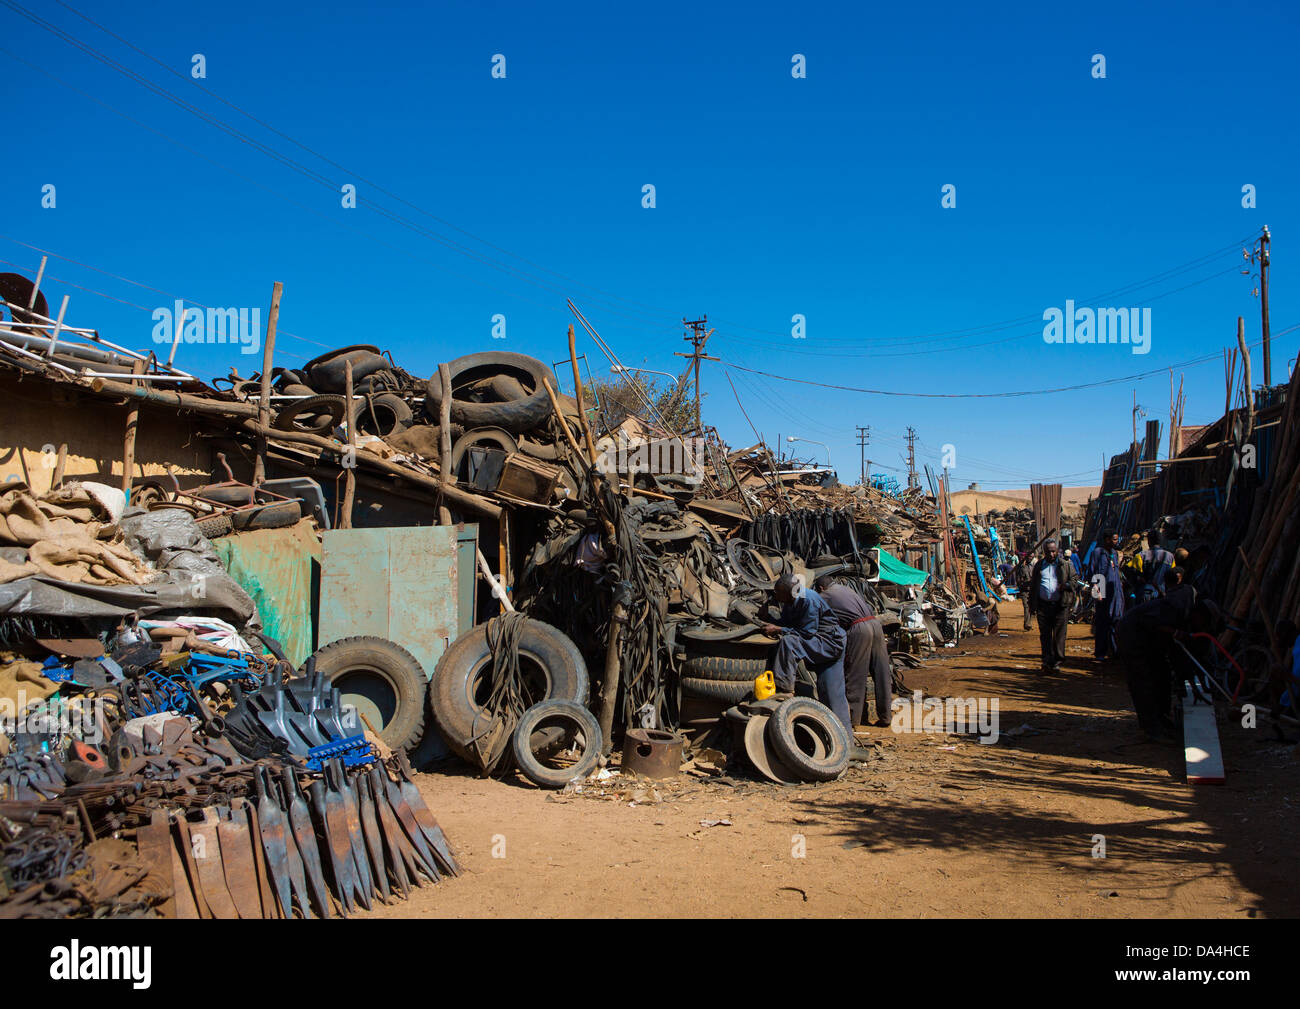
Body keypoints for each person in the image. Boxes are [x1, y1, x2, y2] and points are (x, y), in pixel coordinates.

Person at [1116, 582, 1212, 741]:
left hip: (1147, 641)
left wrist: (1191, 683)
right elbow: (1152, 622)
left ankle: (1161, 717)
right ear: (1200, 614)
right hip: (1131, 636)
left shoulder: (1185, 618)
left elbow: (1177, 657)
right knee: (1143, 682)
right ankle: (1152, 728)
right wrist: (1175, 632)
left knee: (1162, 675)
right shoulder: (1176, 608)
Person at [760, 571, 852, 732]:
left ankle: (784, 689)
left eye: (778, 593)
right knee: (826, 694)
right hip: (818, 641)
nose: (776, 596)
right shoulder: (790, 602)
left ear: (789, 592)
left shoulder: (808, 600)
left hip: (829, 642)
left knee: (834, 697)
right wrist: (769, 619)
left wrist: (779, 629)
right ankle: (827, 734)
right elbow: (787, 624)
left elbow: (806, 632)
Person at [813, 575, 892, 727]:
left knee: (856, 674)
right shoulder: (845, 589)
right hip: (875, 624)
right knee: (881, 672)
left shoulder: (824, 596)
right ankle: (886, 716)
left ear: (821, 588)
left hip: (859, 629)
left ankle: (852, 720)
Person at [1026, 539, 1076, 673]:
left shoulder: (1065, 565)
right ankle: (1048, 660)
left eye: (1054, 551)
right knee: (1045, 635)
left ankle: (1057, 660)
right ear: (1044, 552)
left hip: (1060, 606)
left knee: (1059, 635)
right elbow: (1033, 586)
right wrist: (1032, 604)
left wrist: (1065, 586)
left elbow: (1074, 580)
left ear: (1058, 551)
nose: (1051, 554)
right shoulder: (1039, 566)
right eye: (1048, 552)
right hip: (1043, 606)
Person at [1088, 528, 1125, 660]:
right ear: (1107, 539)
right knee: (1102, 622)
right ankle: (1100, 652)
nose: (1116, 541)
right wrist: (1096, 591)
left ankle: (1114, 651)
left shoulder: (1114, 553)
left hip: (1115, 592)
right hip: (1102, 591)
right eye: (1114, 539)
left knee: (1115, 620)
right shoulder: (1097, 552)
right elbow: (1093, 573)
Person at [1136, 529, 1176, 600]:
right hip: (1161, 595)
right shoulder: (1170, 556)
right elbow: (1173, 576)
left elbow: (1134, 575)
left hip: (1144, 594)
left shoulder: (1140, 555)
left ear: (1149, 541)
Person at [1014, 551, 1035, 630]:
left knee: (1031, 607)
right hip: (1024, 590)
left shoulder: (1033, 567)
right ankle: (1027, 624)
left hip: (1031, 590)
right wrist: (1023, 583)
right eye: (1029, 556)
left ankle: (1028, 623)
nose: (1031, 558)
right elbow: (1018, 579)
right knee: (1026, 607)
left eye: (1032, 557)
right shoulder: (1021, 567)